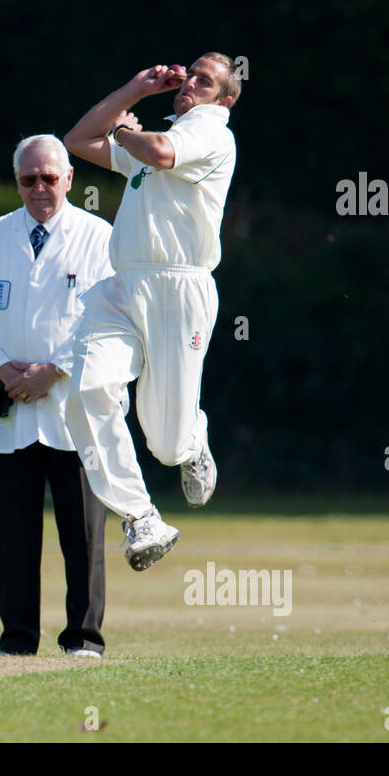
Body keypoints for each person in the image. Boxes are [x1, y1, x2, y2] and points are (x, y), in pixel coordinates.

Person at [63, 53, 241, 571]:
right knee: (90, 387)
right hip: (121, 287)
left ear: (224, 100)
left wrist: (123, 132)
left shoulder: (211, 132)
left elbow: (160, 152)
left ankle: (192, 440)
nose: (190, 84)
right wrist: (135, 90)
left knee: (164, 444)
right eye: (190, 76)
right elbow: (78, 140)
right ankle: (141, 517)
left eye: (205, 82)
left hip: (180, 290)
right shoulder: (155, 136)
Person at [0, 134, 114, 656]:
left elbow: (110, 321)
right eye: (29, 179)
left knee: (83, 534)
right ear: (17, 182)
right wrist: (4, 371)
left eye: (50, 177)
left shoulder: (100, 237)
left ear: (70, 178)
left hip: (77, 408)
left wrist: (54, 371)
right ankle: (17, 641)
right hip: (12, 411)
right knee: (16, 537)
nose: (40, 187)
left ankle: (84, 641)